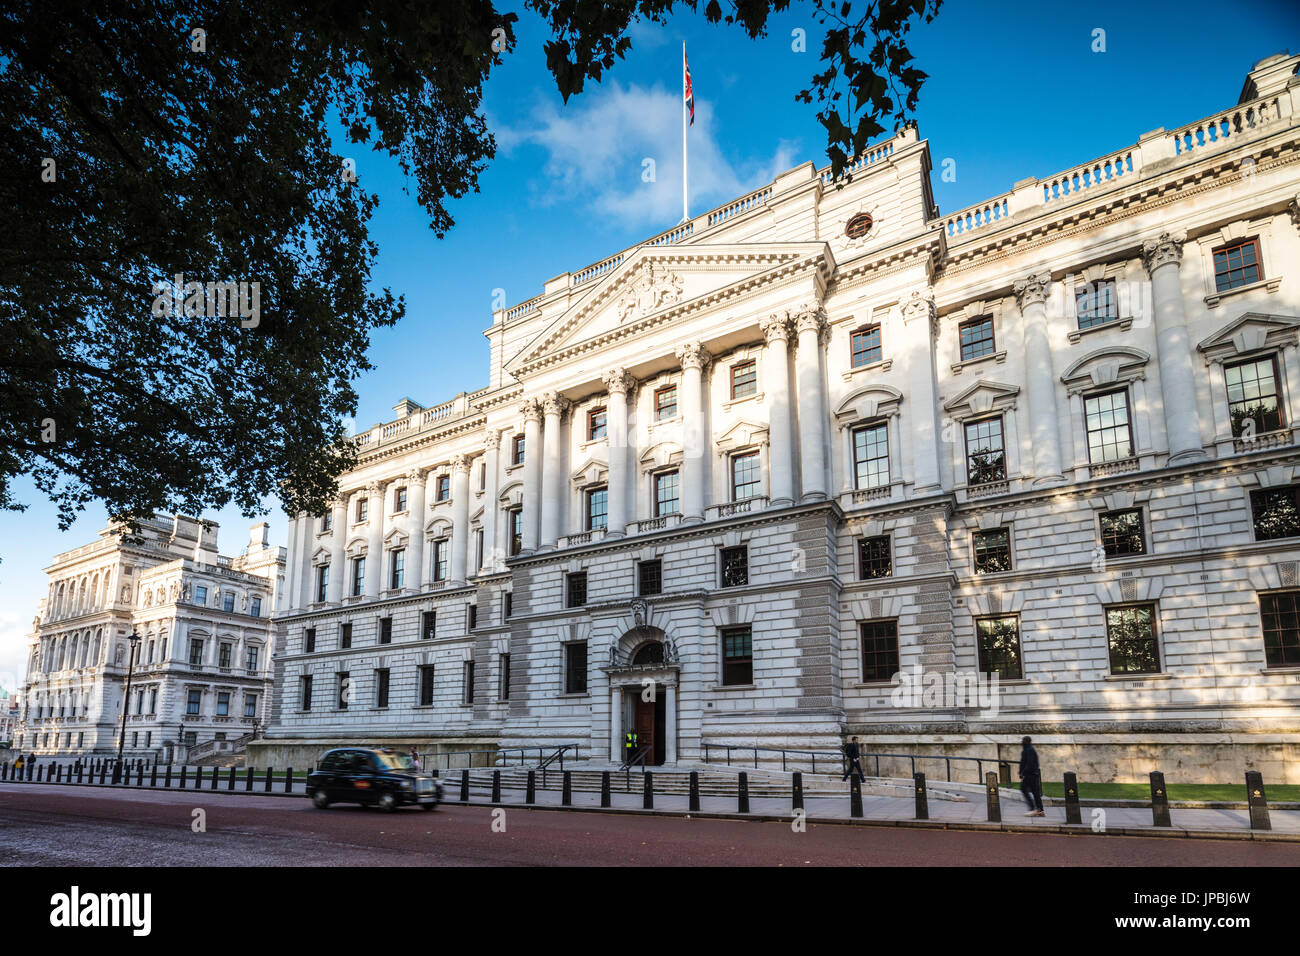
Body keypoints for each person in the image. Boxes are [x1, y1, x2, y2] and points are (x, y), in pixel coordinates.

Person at [1019, 735, 1044, 817]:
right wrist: (1021, 772)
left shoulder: (1029, 750)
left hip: (1030, 775)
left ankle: (1033, 809)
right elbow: (1024, 762)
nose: (1022, 742)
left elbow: (1029, 764)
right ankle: (1039, 810)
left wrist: (1023, 773)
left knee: (1024, 789)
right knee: (1035, 792)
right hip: (1032, 774)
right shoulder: (1028, 750)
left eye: (1023, 741)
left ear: (1027, 742)